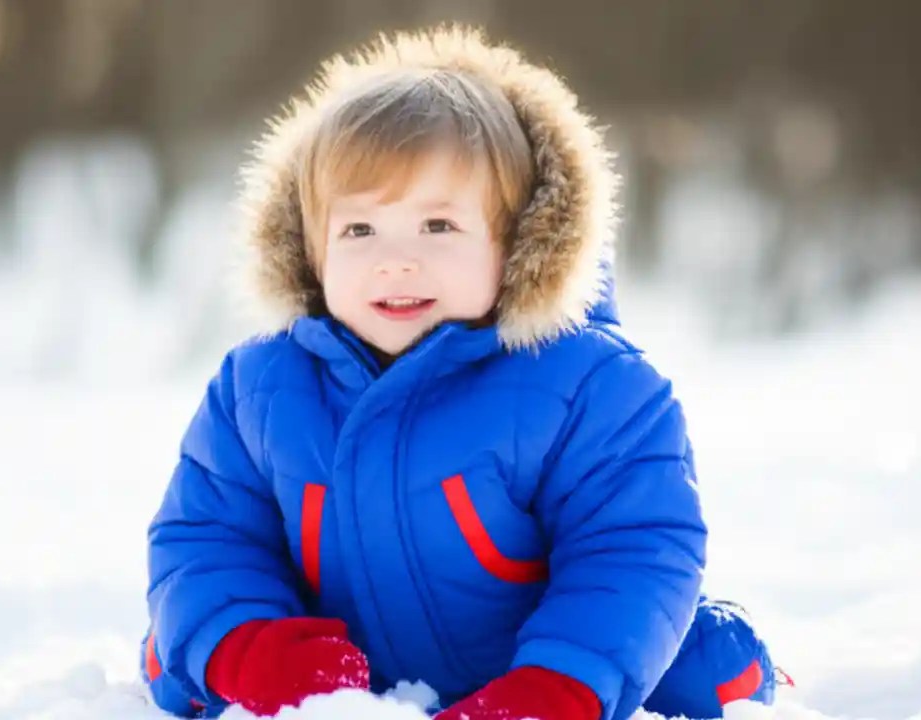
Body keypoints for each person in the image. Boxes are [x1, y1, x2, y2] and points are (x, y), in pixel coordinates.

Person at [140, 26, 782, 720]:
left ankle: (722, 662)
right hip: (343, 669)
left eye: (438, 226)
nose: (396, 260)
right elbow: (207, 535)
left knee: (683, 668)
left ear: (519, 242)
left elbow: (630, 549)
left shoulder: (589, 387)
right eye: (359, 230)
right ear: (310, 247)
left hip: (529, 660)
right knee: (187, 654)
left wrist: (552, 690)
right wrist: (250, 647)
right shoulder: (260, 388)